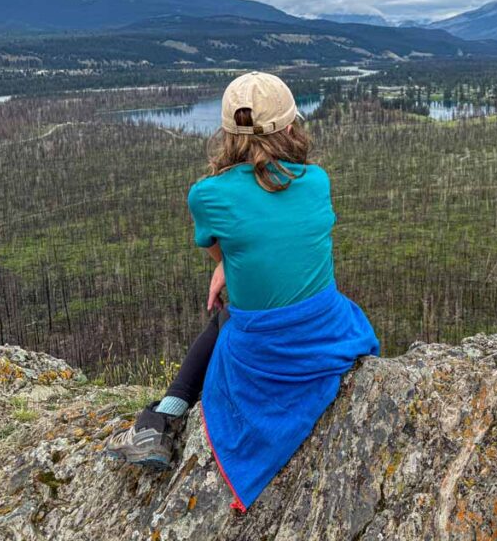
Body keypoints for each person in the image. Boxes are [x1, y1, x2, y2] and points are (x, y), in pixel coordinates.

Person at [105, 71, 379, 511]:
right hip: (329, 330)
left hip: (267, 349)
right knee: (247, 309)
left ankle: (164, 416)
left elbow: (222, 251)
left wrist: (226, 270)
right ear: (291, 128)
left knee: (224, 317)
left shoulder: (207, 195)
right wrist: (231, 269)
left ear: (227, 133)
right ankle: (162, 416)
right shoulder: (317, 180)